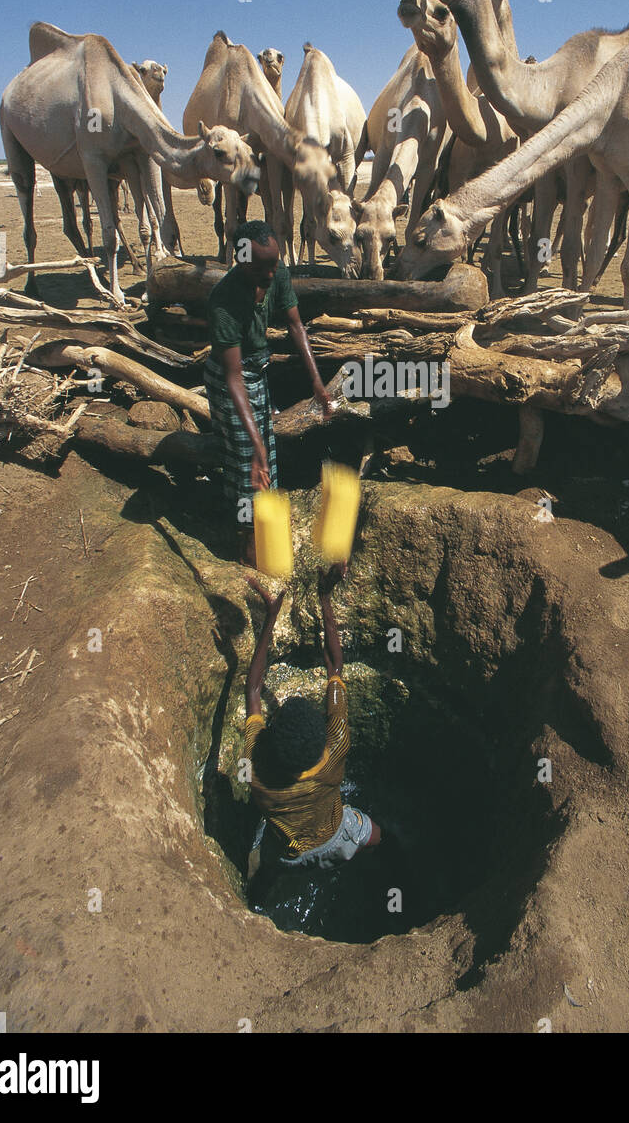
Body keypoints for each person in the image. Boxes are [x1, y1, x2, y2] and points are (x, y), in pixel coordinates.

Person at [243, 563, 381, 894]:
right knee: (376, 834)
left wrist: (269, 619)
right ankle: (370, 871)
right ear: (321, 739)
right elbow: (335, 665)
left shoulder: (256, 772)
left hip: (289, 854)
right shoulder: (336, 747)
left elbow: (253, 689)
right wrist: (324, 596)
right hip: (338, 837)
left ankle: (263, 888)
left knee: (268, 868)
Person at [203, 219, 333, 564]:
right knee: (249, 464)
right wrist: (257, 444)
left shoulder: (274, 271)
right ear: (243, 261)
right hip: (230, 381)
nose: (274, 273)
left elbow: (295, 326)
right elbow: (233, 378)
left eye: (276, 264)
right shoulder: (223, 303)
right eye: (265, 267)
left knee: (266, 466)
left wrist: (317, 383)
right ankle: (246, 546)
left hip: (257, 372)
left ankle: (262, 532)